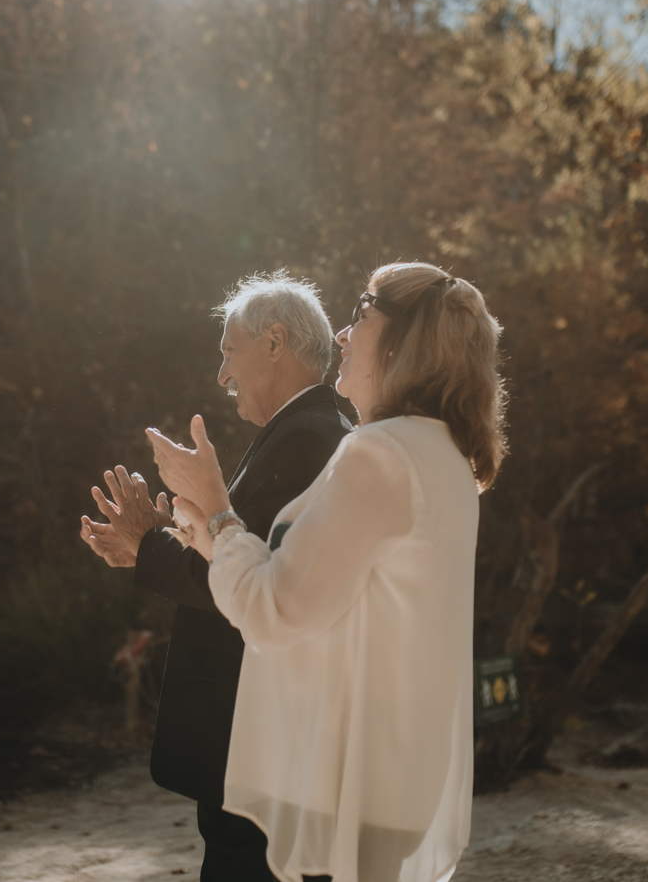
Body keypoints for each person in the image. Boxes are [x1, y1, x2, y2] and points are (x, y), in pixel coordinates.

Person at [148, 262, 506, 882]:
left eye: (361, 314)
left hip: (347, 783)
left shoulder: (381, 454)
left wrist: (217, 506)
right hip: (399, 778)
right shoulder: (445, 455)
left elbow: (273, 611)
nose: (342, 333)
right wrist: (199, 525)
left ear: (400, 340)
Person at [79, 270, 353, 882]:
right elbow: (239, 553)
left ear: (275, 342)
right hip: (267, 736)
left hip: (262, 735)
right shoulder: (305, 431)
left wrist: (149, 544)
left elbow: (250, 584)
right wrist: (158, 541)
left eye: (230, 351)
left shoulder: (306, 441)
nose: (222, 374)